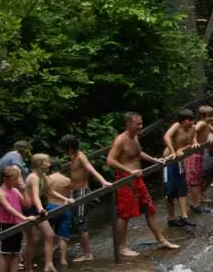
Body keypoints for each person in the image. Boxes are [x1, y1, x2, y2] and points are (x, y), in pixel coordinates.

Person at [107, 112, 179, 260]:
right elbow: (110, 160)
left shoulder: (135, 137)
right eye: (137, 124)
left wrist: (154, 160)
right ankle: (121, 247)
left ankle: (161, 240)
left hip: (137, 179)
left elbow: (138, 153)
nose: (141, 126)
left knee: (150, 209)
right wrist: (129, 171)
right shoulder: (120, 140)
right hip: (125, 180)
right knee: (125, 214)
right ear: (128, 124)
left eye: (141, 123)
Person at [63, 133, 109, 262]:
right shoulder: (74, 157)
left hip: (82, 192)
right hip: (76, 192)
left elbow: (91, 169)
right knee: (76, 222)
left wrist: (103, 181)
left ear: (70, 147)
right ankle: (86, 252)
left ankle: (88, 254)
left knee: (81, 222)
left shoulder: (80, 157)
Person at [0, 164, 32, 272]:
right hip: (6, 225)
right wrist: (23, 217)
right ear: (5, 179)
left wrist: (23, 189)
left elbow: (27, 205)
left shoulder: (15, 190)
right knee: (6, 254)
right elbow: (8, 208)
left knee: (16, 253)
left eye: (17, 178)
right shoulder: (0, 192)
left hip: (17, 224)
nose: (17, 181)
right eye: (14, 179)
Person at [24, 152, 60, 272]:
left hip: (36, 209)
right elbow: (34, 196)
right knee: (32, 240)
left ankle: (48, 265)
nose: (49, 164)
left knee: (49, 235)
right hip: (30, 210)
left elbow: (50, 191)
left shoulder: (42, 175)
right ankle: (28, 271)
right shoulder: (33, 177)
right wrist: (40, 209)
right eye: (47, 162)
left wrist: (66, 199)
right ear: (40, 164)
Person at [163, 109, 197, 228]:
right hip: (169, 159)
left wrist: (192, 144)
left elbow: (191, 141)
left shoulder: (192, 128)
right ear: (183, 121)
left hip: (180, 159)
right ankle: (171, 218)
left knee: (182, 186)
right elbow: (166, 136)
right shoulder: (177, 126)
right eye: (190, 120)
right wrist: (173, 151)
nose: (192, 122)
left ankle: (184, 216)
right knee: (170, 190)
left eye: (193, 119)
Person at [42, 157, 75, 272]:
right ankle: (63, 259)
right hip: (64, 208)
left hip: (51, 207)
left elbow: (46, 192)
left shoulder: (47, 179)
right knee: (63, 236)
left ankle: (48, 262)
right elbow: (71, 193)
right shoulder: (67, 179)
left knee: (48, 237)